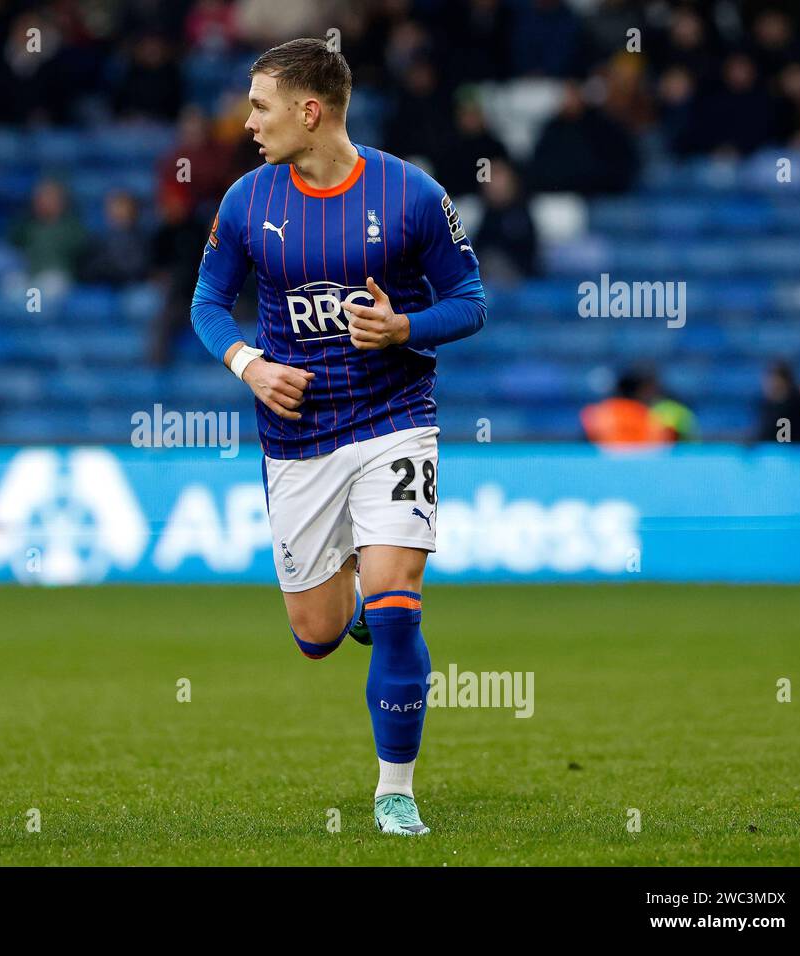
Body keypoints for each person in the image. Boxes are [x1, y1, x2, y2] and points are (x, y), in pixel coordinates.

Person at [191, 39, 486, 837]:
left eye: (260, 106)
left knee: (396, 611)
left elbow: (471, 298)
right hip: (298, 436)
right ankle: (349, 600)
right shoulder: (248, 201)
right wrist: (250, 364)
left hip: (395, 417)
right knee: (318, 635)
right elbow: (207, 304)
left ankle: (396, 790)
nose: (248, 121)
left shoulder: (411, 194)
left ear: (308, 111)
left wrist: (405, 327)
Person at [756, 361, 800, 444]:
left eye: (774, 380)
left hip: (796, 451)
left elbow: (783, 439)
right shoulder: (768, 404)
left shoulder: (795, 404)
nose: (770, 384)